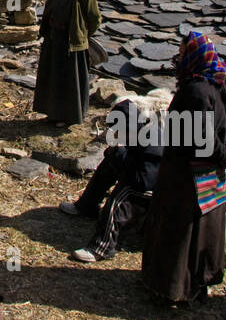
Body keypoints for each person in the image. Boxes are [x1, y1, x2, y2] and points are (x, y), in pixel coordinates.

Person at [142, 31, 226, 306]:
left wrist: (222, 154)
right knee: (201, 235)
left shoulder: (195, 92)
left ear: (194, 56)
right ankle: (197, 284)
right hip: (209, 175)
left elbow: (201, 138)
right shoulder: (218, 82)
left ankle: (173, 289)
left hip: (186, 175)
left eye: (183, 54)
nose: (179, 58)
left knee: (180, 233)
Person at [59, 99, 164, 263]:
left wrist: (121, 153)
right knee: (110, 163)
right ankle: (87, 206)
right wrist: (116, 154)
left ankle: (102, 247)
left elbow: (143, 182)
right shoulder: (137, 132)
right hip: (140, 175)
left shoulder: (153, 141)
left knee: (123, 193)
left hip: (156, 191)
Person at [33, 0, 101, 127]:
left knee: (67, 81)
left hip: (71, 44)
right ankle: (52, 113)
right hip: (54, 39)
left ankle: (66, 117)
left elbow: (94, 19)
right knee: (53, 77)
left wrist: (81, 35)